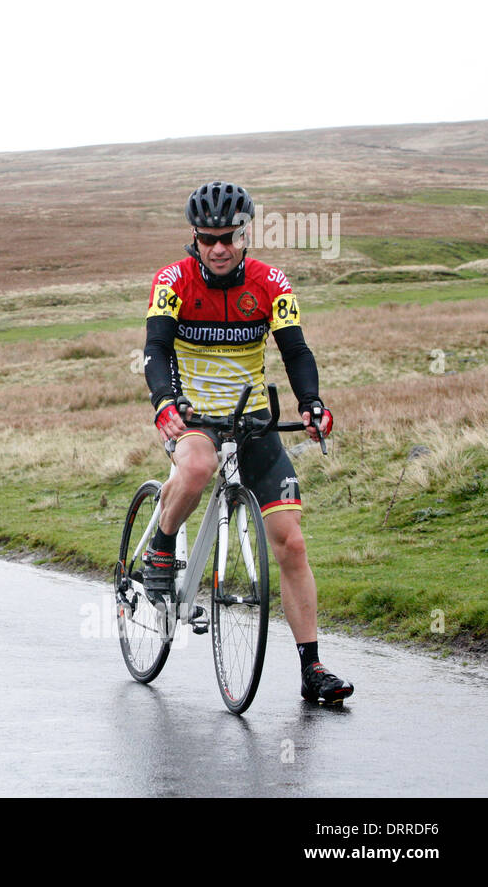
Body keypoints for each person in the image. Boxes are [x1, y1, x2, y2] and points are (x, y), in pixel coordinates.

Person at [141, 181, 354, 705]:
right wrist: (165, 403)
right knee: (195, 468)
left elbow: (296, 351)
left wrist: (312, 403)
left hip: (253, 421)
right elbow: (155, 347)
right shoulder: (172, 281)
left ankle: (313, 669)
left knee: (292, 542)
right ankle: (162, 547)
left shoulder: (272, 283)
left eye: (229, 237)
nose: (218, 248)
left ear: (245, 233)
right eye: (208, 238)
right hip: (193, 414)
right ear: (195, 236)